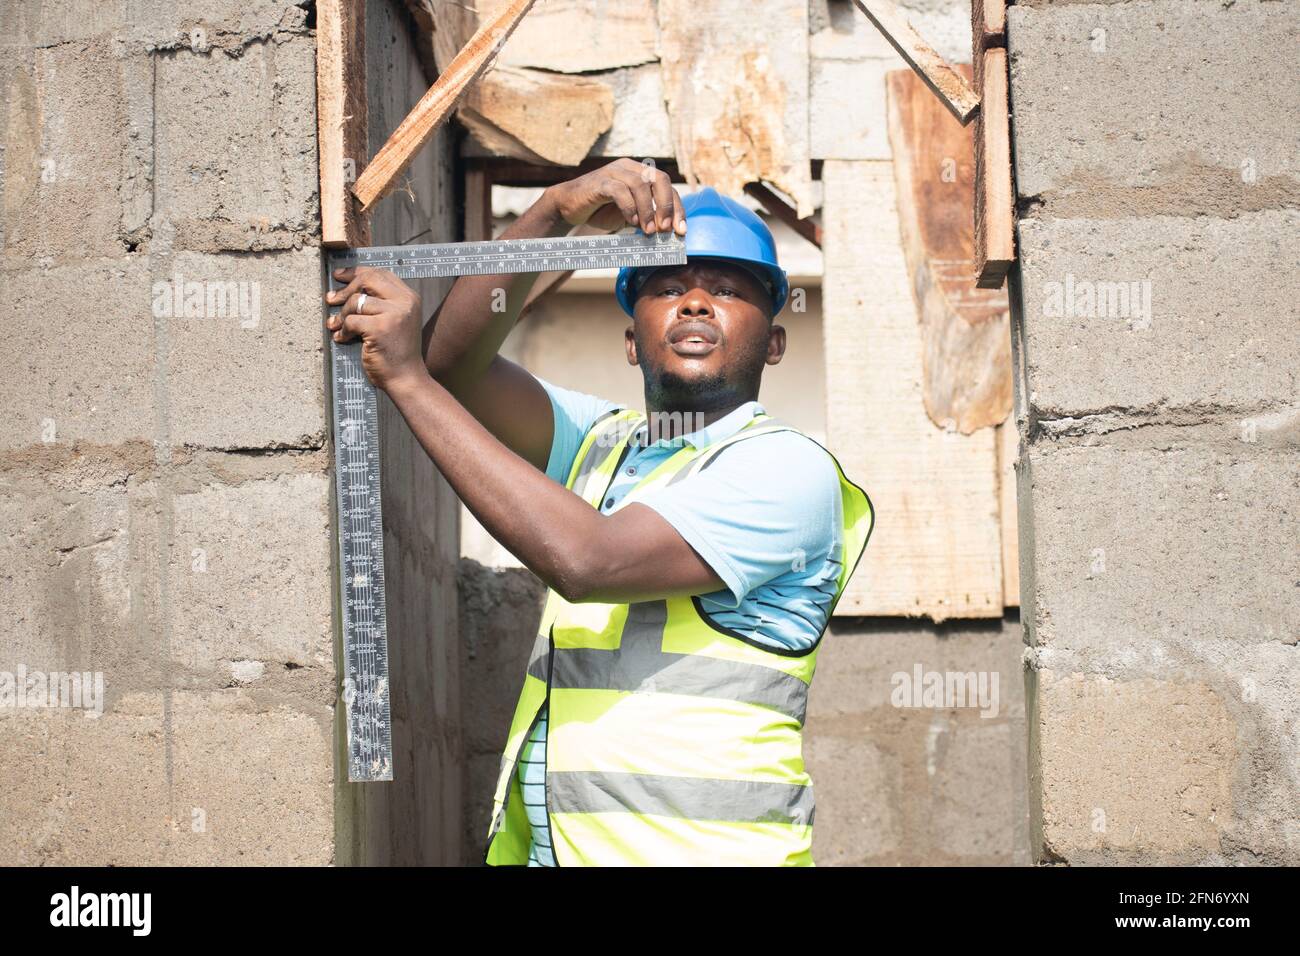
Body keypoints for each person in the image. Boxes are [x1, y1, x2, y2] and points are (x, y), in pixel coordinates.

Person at [322, 158, 873, 866]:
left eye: (728, 290)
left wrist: (402, 378)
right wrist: (556, 212)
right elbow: (455, 365)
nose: (696, 303)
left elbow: (590, 561)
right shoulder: (601, 446)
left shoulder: (787, 469)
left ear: (773, 342)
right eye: (668, 287)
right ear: (631, 340)